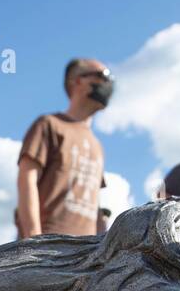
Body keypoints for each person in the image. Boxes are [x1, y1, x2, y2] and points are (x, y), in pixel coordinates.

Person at [15, 58, 113, 238]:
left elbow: (95, 203)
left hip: (85, 256)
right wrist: (34, 240)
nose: (108, 83)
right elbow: (26, 179)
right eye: (102, 76)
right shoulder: (49, 125)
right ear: (77, 81)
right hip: (47, 248)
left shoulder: (97, 145)